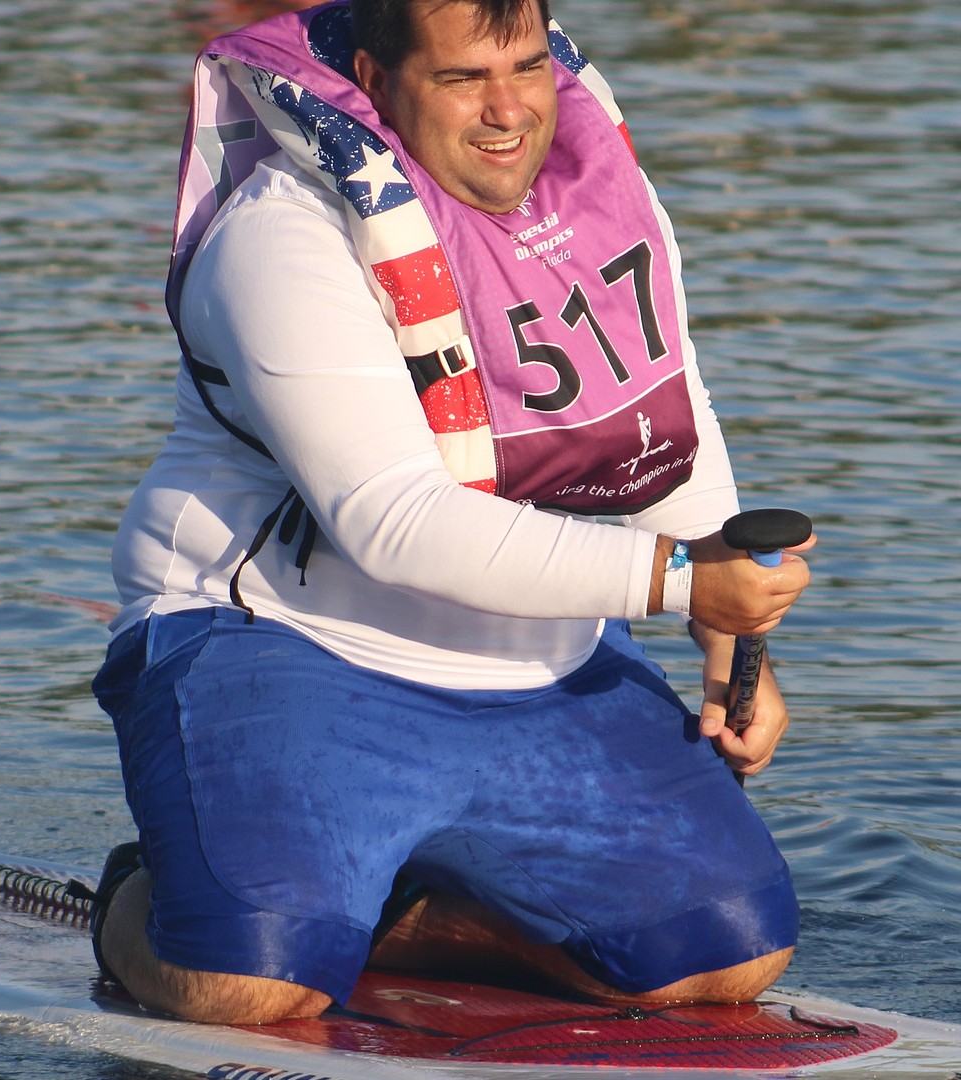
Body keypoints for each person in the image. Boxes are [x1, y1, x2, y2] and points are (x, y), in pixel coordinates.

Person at [89, 0, 816, 1026]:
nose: (509, 109)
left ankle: (393, 904)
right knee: (251, 987)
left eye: (525, 67)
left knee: (724, 959)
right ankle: (143, 896)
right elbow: (391, 522)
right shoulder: (281, 241)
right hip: (283, 644)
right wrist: (683, 580)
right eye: (463, 78)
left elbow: (665, 408)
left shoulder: (594, 195)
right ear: (379, 81)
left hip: (530, 661)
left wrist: (727, 635)